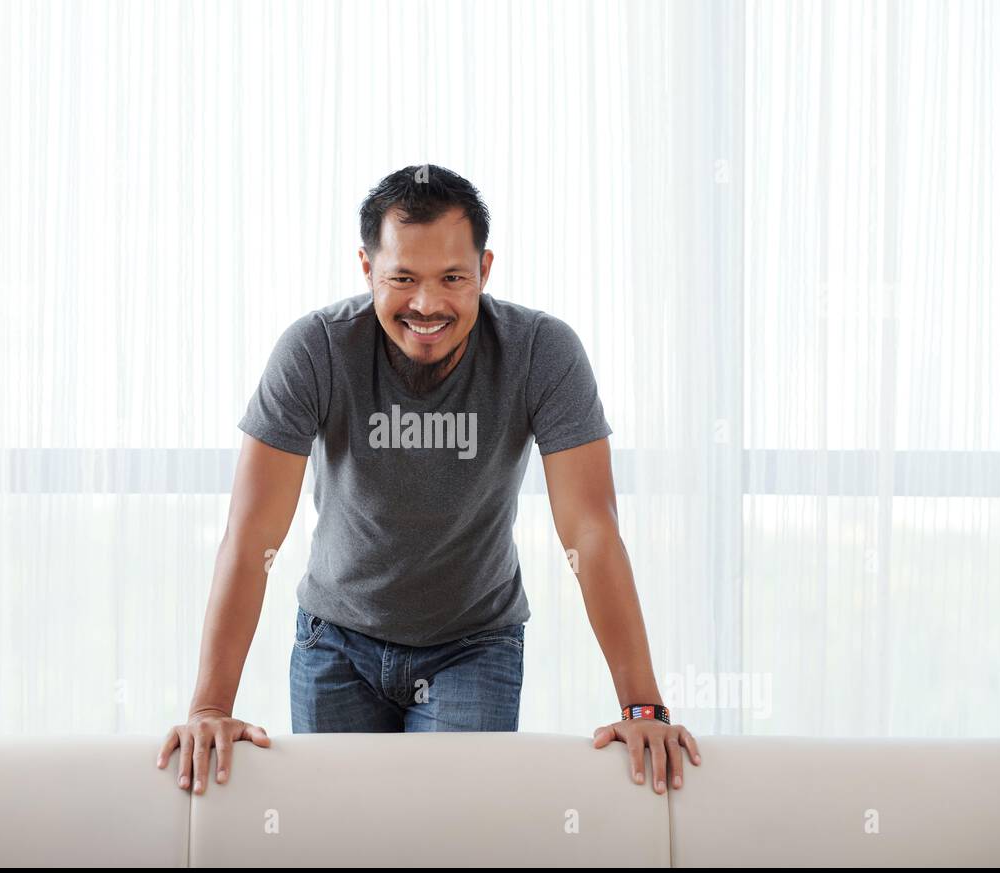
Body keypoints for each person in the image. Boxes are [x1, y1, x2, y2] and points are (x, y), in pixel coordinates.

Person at [157, 164, 700, 794]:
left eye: (452, 279)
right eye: (402, 279)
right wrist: (209, 710)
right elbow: (252, 536)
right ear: (367, 269)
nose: (427, 304)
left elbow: (591, 528)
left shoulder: (542, 352)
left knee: (455, 836)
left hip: (473, 644)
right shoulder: (315, 349)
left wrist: (642, 708)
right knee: (344, 840)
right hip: (336, 643)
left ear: (486, 270)